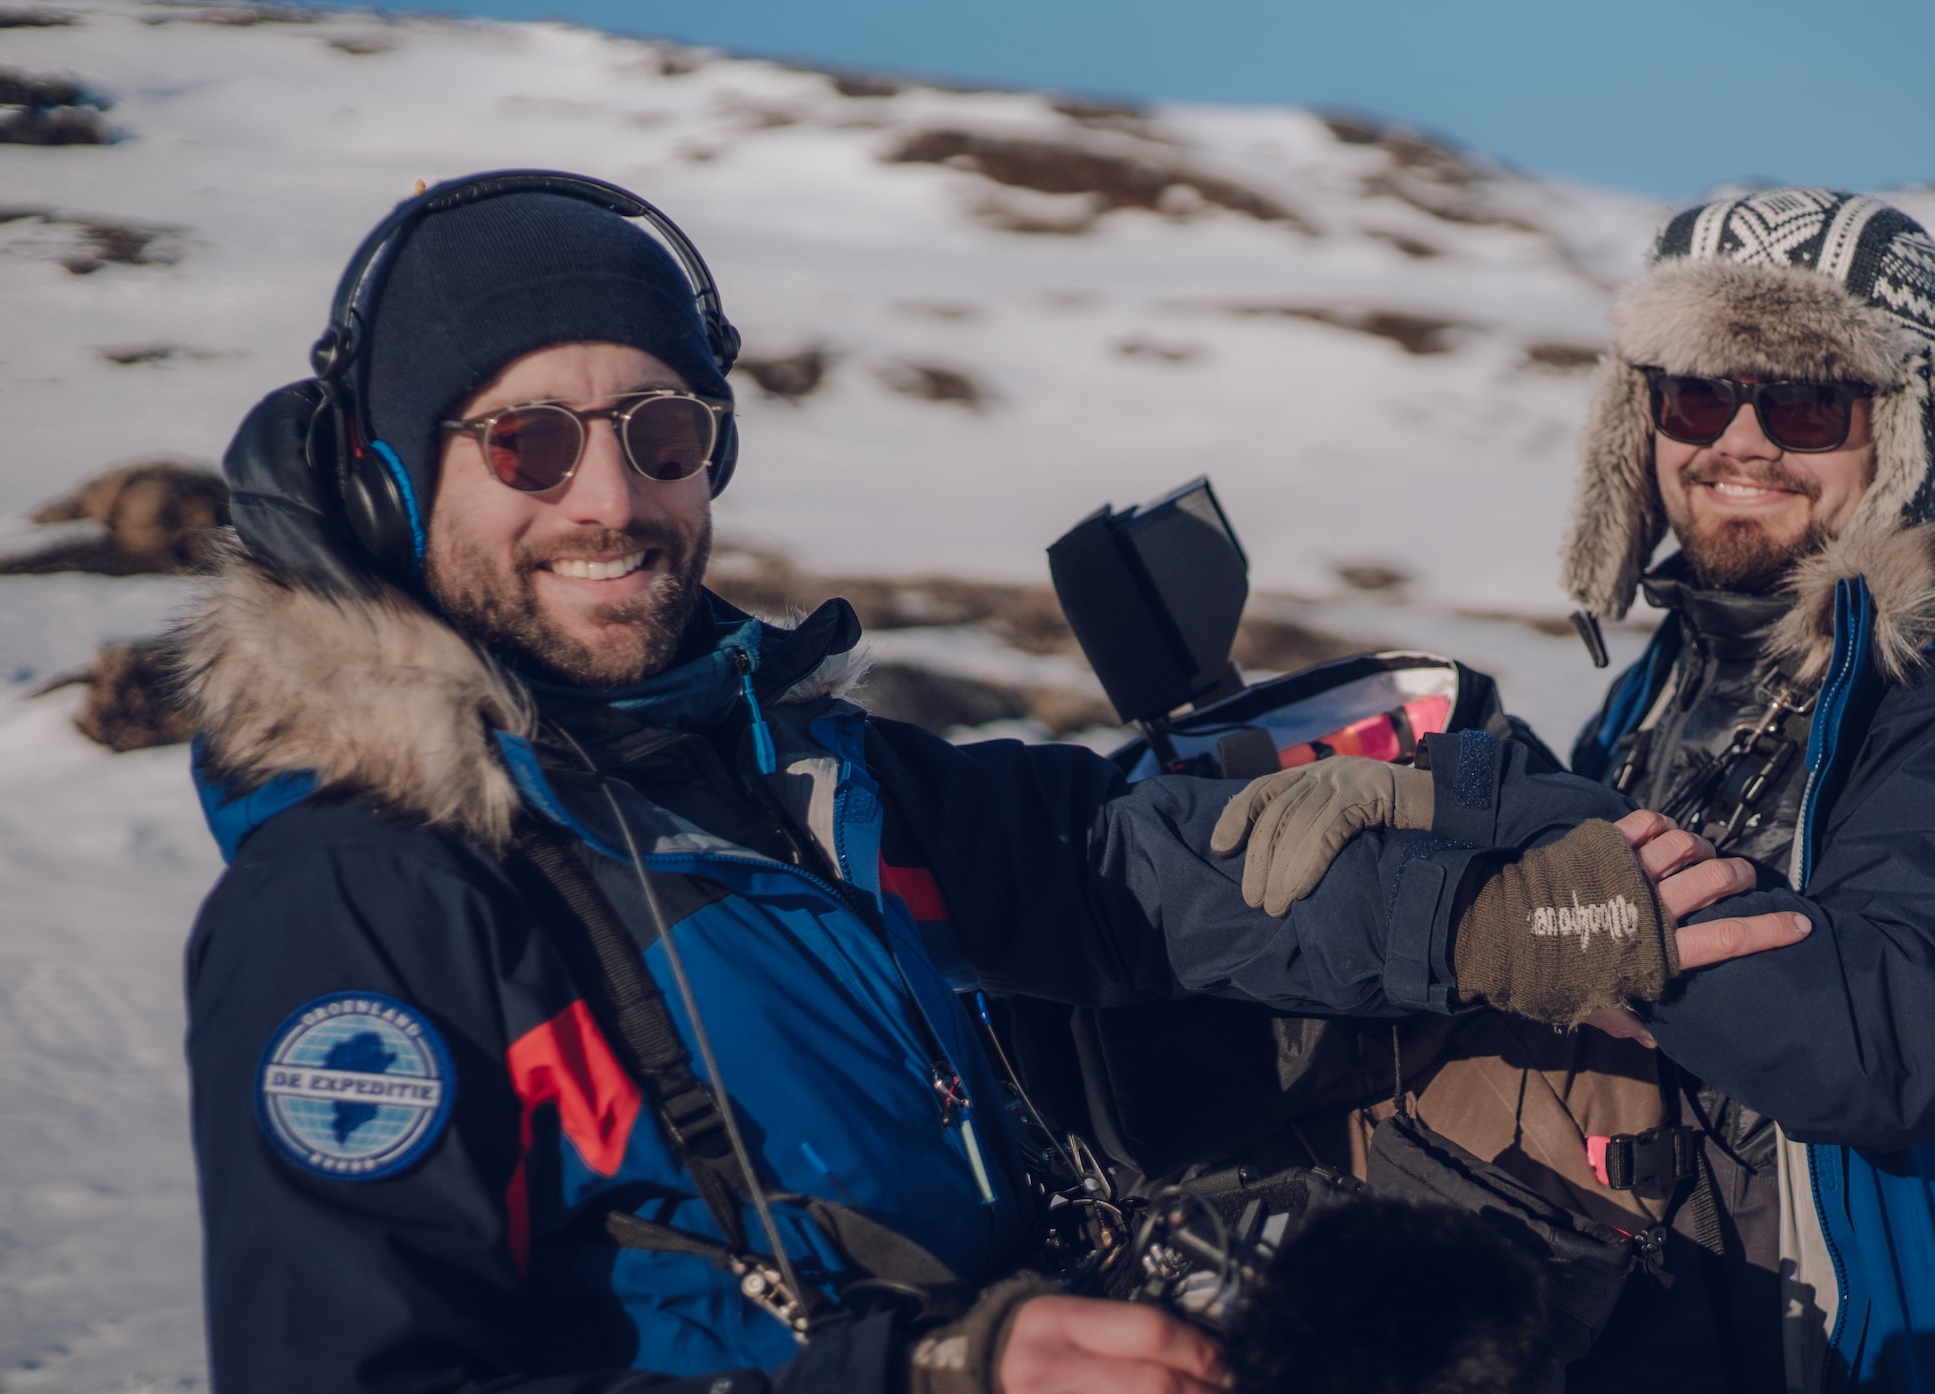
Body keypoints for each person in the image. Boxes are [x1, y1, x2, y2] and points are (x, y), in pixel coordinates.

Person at [171, 173, 1803, 1394]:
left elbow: (1115, 863)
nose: (614, 496)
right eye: (527, 443)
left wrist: (1485, 914)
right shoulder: (364, 901)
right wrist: (928, 1366)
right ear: (393, 482)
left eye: (661, 431)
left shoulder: (792, 774)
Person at [1218, 187, 1935, 1392]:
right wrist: (1440, 780)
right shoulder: (1685, 668)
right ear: (1640, 420)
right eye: (1698, 394)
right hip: (1700, 1286)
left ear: (1906, 433)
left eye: (1809, 399)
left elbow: (1886, 1044)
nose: (1743, 441)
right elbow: (1606, 850)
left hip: (1898, 1331)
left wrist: (1529, 843)